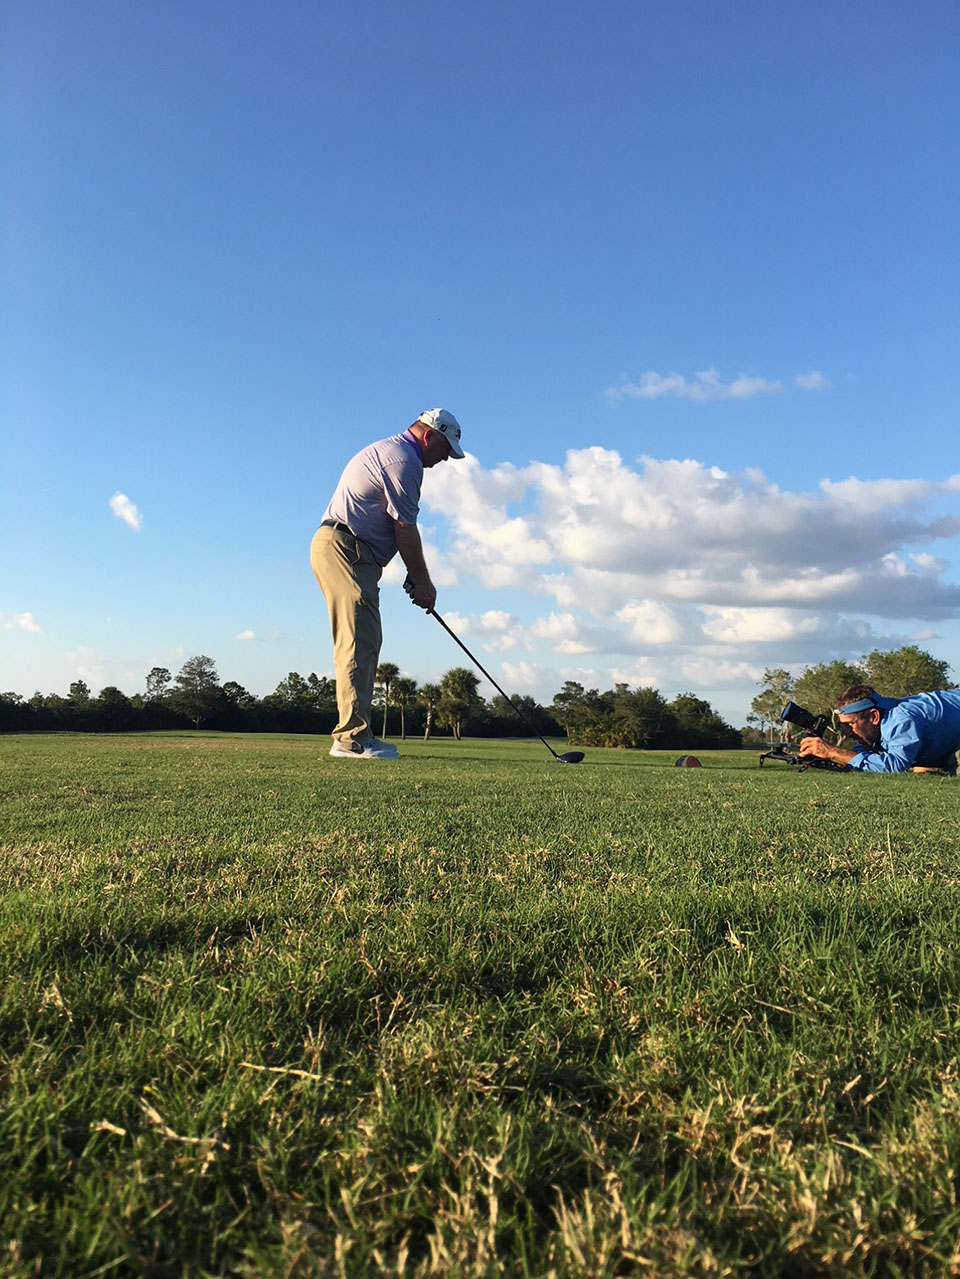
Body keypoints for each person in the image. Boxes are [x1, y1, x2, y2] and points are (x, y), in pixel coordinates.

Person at [310, 409, 465, 759]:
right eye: (445, 448)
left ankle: (357, 734)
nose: (445, 458)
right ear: (428, 435)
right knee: (358, 640)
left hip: (349, 550)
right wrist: (424, 583)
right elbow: (405, 528)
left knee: (366, 639)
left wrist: (414, 573)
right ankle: (351, 740)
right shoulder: (404, 460)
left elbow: (395, 527)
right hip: (346, 548)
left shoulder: (393, 452)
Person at [799, 683, 960, 774]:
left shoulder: (901, 720)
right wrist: (835, 759)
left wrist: (833, 751)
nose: (847, 733)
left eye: (850, 724)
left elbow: (895, 766)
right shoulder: (876, 726)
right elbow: (862, 754)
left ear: (874, 717)